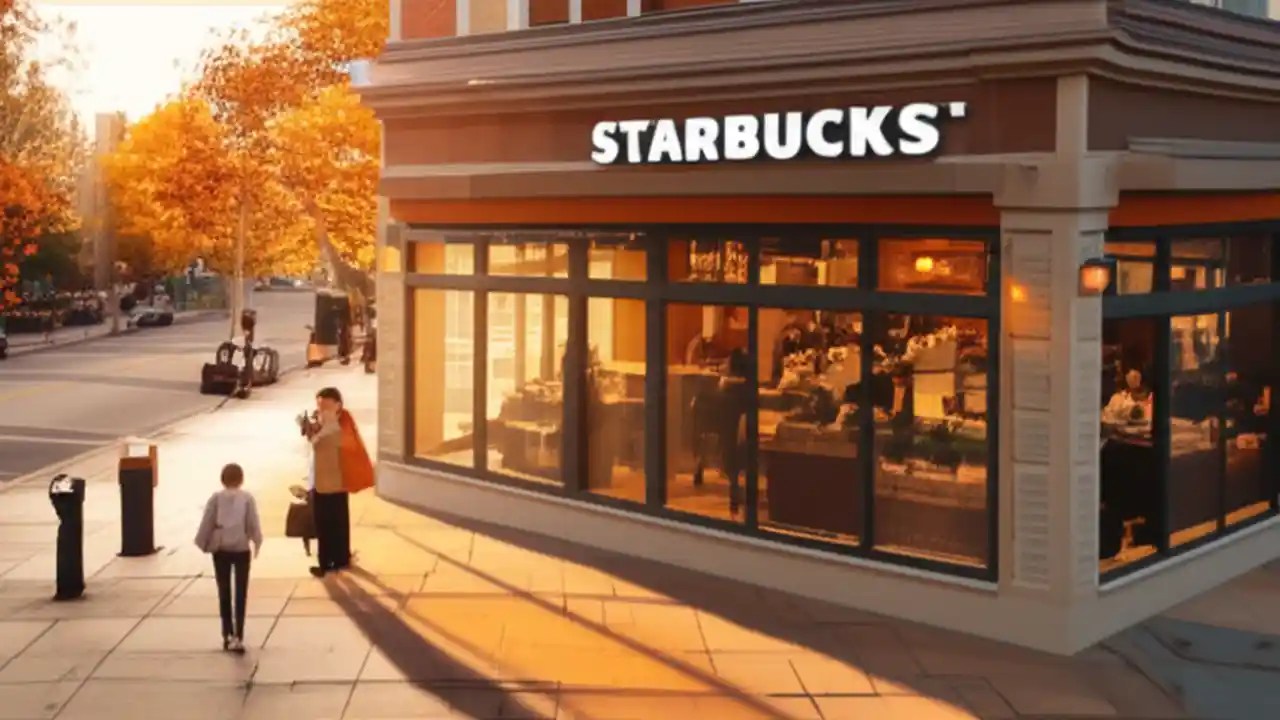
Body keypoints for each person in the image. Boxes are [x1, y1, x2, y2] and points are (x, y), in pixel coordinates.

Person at [303, 387, 374, 577]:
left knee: (336, 522)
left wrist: (319, 431)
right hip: (321, 480)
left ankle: (337, 559)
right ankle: (328, 560)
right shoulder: (323, 422)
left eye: (326, 407)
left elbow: (338, 442)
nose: (321, 411)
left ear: (338, 405)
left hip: (337, 480)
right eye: (319, 406)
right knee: (323, 523)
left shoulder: (340, 423)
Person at [194, 463, 262, 653]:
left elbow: (207, 522)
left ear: (222, 479)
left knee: (224, 592)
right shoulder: (247, 498)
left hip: (221, 549)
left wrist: (203, 543)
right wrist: (257, 542)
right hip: (241, 549)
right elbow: (253, 523)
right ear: (241, 479)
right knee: (241, 592)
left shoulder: (216, 499)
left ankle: (227, 633)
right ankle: (239, 634)